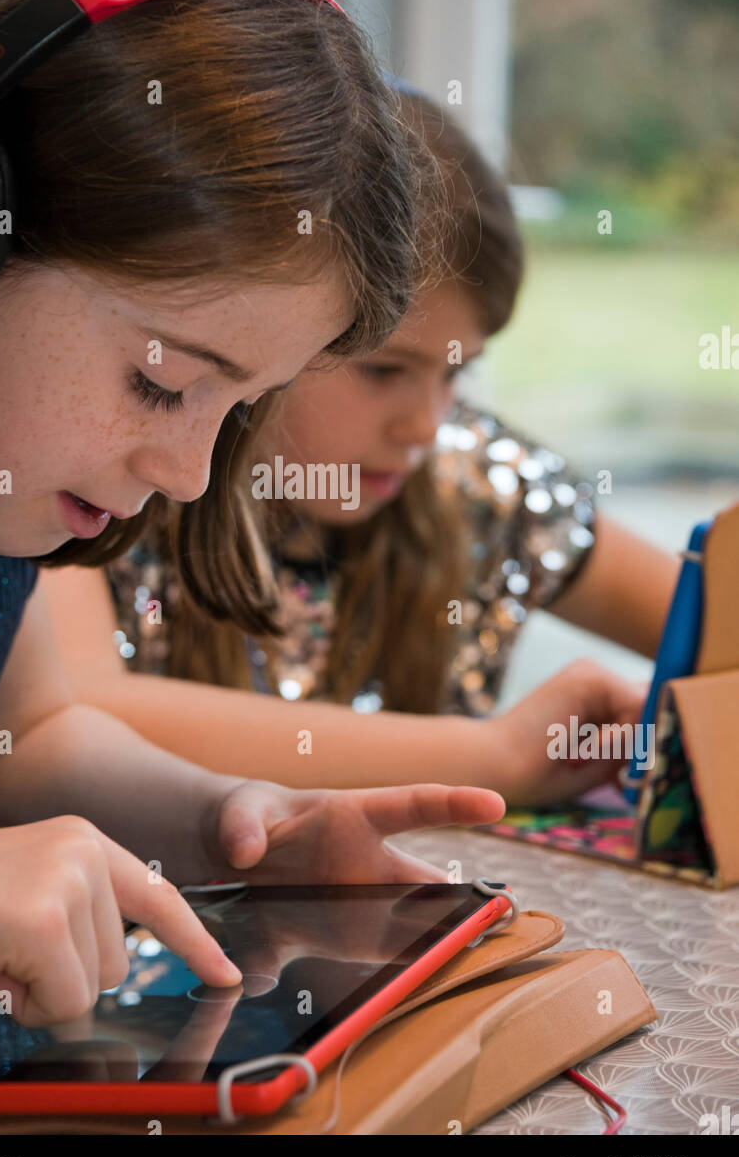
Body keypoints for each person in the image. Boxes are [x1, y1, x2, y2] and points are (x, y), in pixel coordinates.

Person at [0, 0, 514, 1029]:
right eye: (161, 380)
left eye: (239, 408)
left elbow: (20, 745)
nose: (186, 475)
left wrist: (233, 816)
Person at [41, 90, 669, 807]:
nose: (425, 427)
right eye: (385, 371)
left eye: (455, 373)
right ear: (266, 336)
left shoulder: (481, 481)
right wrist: (491, 756)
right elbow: (75, 715)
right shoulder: (110, 476)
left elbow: (711, 618)